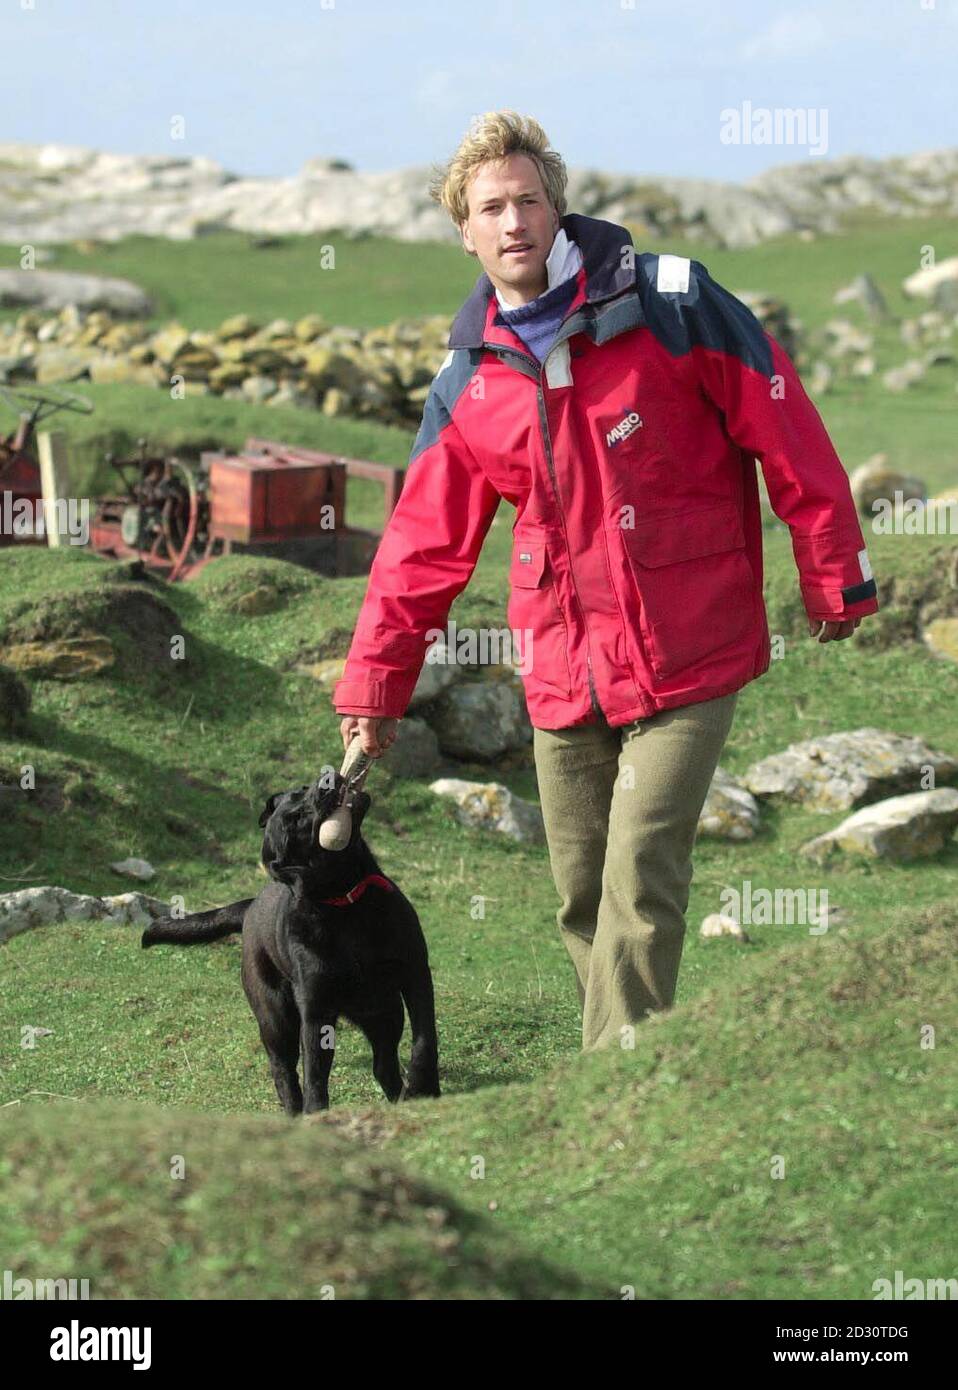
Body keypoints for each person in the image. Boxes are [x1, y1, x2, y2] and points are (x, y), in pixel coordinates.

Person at [334, 110, 878, 1051]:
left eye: (529, 200)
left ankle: (610, 1089)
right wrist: (377, 688)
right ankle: (638, 1063)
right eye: (491, 208)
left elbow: (784, 423)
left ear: (558, 207)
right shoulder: (465, 377)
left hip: (688, 647)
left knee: (640, 873)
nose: (514, 222)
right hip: (561, 662)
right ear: (464, 232)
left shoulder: (672, 301)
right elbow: (419, 551)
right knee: (582, 892)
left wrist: (831, 568)